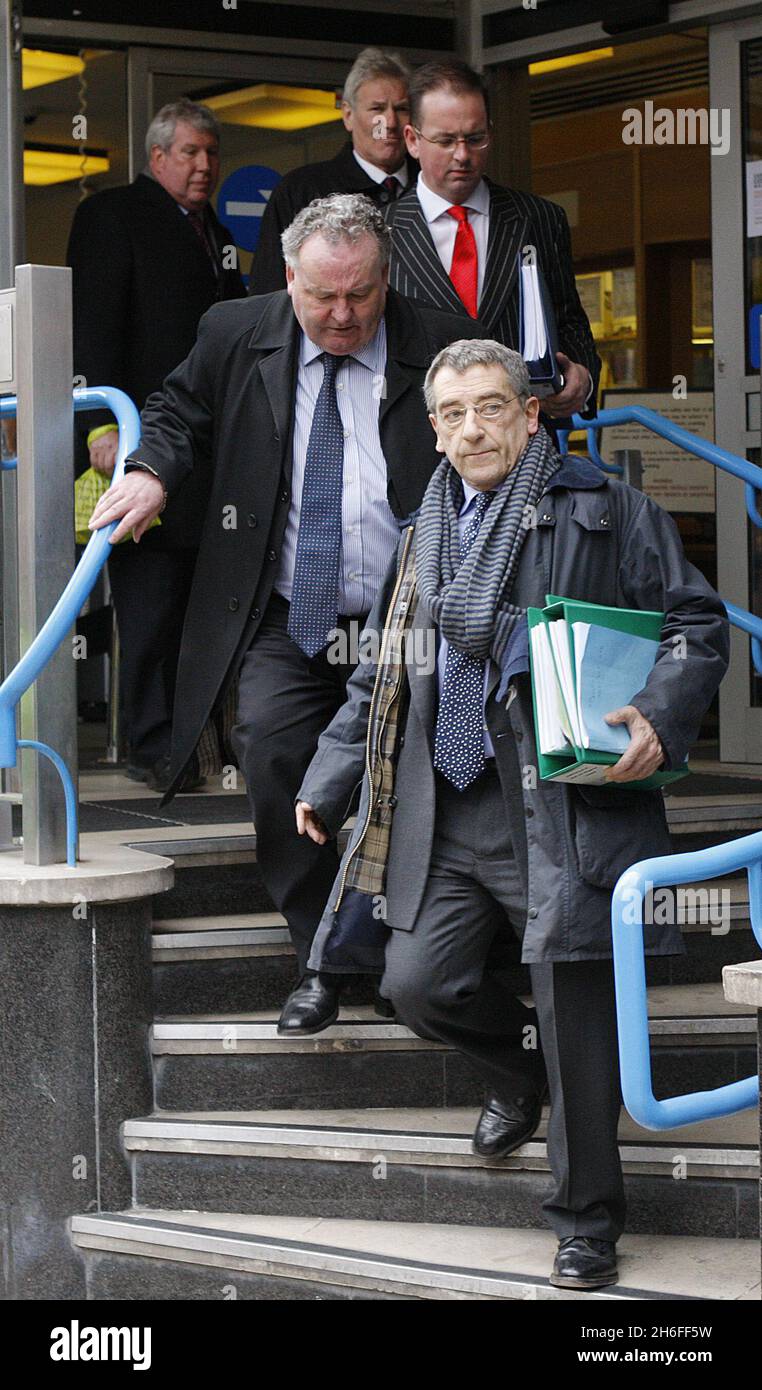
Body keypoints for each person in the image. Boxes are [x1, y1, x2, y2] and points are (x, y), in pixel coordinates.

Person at [294, 339, 729, 1291]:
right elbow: (382, 671)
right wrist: (328, 777)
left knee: (575, 1011)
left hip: (560, 802)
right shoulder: (422, 531)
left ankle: (586, 1224)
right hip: (446, 806)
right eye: (452, 414)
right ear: (436, 428)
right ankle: (523, 1081)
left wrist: (660, 710)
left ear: (530, 414)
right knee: (415, 985)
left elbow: (697, 624)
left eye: (491, 406)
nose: (472, 428)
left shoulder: (602, 509)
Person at [87, 194, 481, 1035]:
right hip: (287, 609)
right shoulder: (237, 330)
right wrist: (153, 471)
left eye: (362, 296)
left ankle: (416, 951)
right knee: (271, 754)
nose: (341, 317)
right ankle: (322, 955)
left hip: (406, 612)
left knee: (413, 773)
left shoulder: (439, 338)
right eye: (322, 297)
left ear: (387, 281)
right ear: (290, 279)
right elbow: (177, 411)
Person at [67, 98, 246, 790]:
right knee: (148, 602)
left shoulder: (212, 230)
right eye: (191, 153)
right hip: (136, 443)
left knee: (195, 604)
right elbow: (91, 325)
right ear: (157, 156)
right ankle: (148, 745)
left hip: (206, 456)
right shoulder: (113, 214)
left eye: (212, 154)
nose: (204, 166)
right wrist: (101, 426)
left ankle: (194, 746)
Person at [386, 60, 600, 426]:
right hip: (420, 444)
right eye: (445, 140)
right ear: (412, 140)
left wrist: (582, 375)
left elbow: (569, 320)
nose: (463, 155)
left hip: (523, 438)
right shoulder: (381, 233)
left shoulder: (540, 219)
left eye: (475, 138)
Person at [249, 47, 416, 295]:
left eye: (401, 109)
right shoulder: (301, 190)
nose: (390, 123)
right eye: (377, 109)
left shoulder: (434, 187)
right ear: (348, 115)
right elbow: (269, 294)